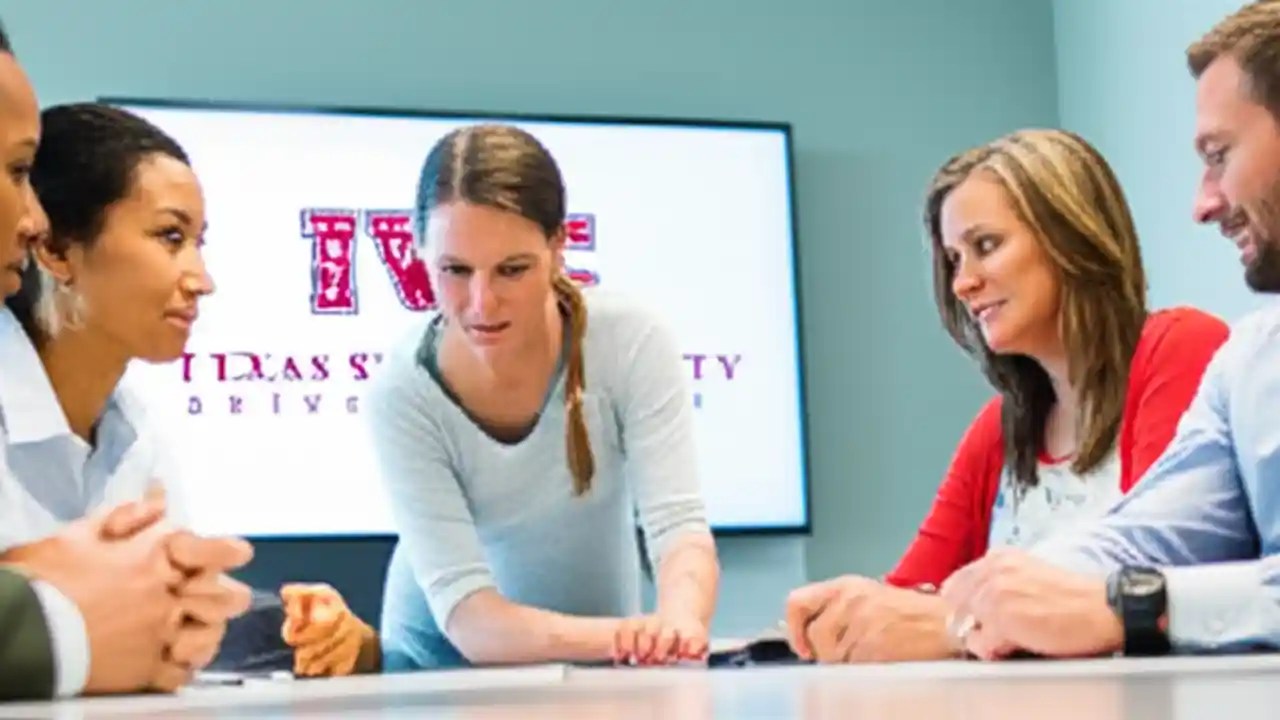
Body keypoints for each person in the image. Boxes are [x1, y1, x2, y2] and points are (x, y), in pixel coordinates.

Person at [280, 123, 720, 675]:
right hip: (433, 680)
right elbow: (472, 620)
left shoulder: (632, 343)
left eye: (512, 269)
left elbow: (678, 526)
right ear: (421, 254)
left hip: (606, 674)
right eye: (455, 271)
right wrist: (632, 636)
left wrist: (679, 626)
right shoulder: (402, 390)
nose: (482, 303)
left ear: (559, 247)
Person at [784, 128, 1230, 663]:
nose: (961, 283)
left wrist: (955, 624)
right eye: (953, 259)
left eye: (985, 246)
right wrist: (846, 614)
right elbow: (907, 597)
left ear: (1071, 234)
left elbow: (1164, 569)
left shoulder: (1180, 348)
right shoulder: (1001, 426)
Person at [938, 0, 1280, 661]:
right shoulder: (1252, 357)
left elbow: (1128, 589)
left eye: (1220, 154)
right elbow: (1146, 536)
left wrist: (1130, 606)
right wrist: (980, 602)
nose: (1202, 203)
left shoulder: (1182, 345)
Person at [0, 96, 253, 698]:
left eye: (198, 241)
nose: (201, 279)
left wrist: (188, 627)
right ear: (56, 249)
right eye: (170, 237)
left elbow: (160, 632)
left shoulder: (134, 430)